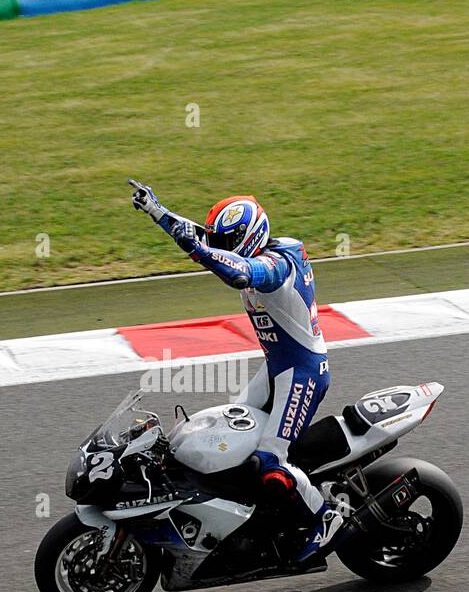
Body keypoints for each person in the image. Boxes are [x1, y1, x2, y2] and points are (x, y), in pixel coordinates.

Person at [129, 179, 343, 562]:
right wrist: (157, 212)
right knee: (230, 438)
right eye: (221, 241)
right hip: (277, 367)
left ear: (250, 235)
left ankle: (324, 518)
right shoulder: (250, 249)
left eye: (228, 241)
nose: (221, 247)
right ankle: (256, 516)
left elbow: (239, 272)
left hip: (302, 373)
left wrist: (197, 250)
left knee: (269, 460)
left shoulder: (278, 263)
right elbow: (199, 235)